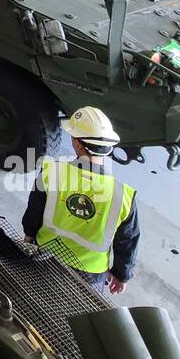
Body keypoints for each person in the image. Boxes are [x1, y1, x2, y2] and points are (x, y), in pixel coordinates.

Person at [22, 106, 139, 295]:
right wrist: (121, 274)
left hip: (45, 258)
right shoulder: (123, 195)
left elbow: (33, 213)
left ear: (77, 144)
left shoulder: (52, 172)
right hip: (91, 275)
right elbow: (128, 241)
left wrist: (29, 235)